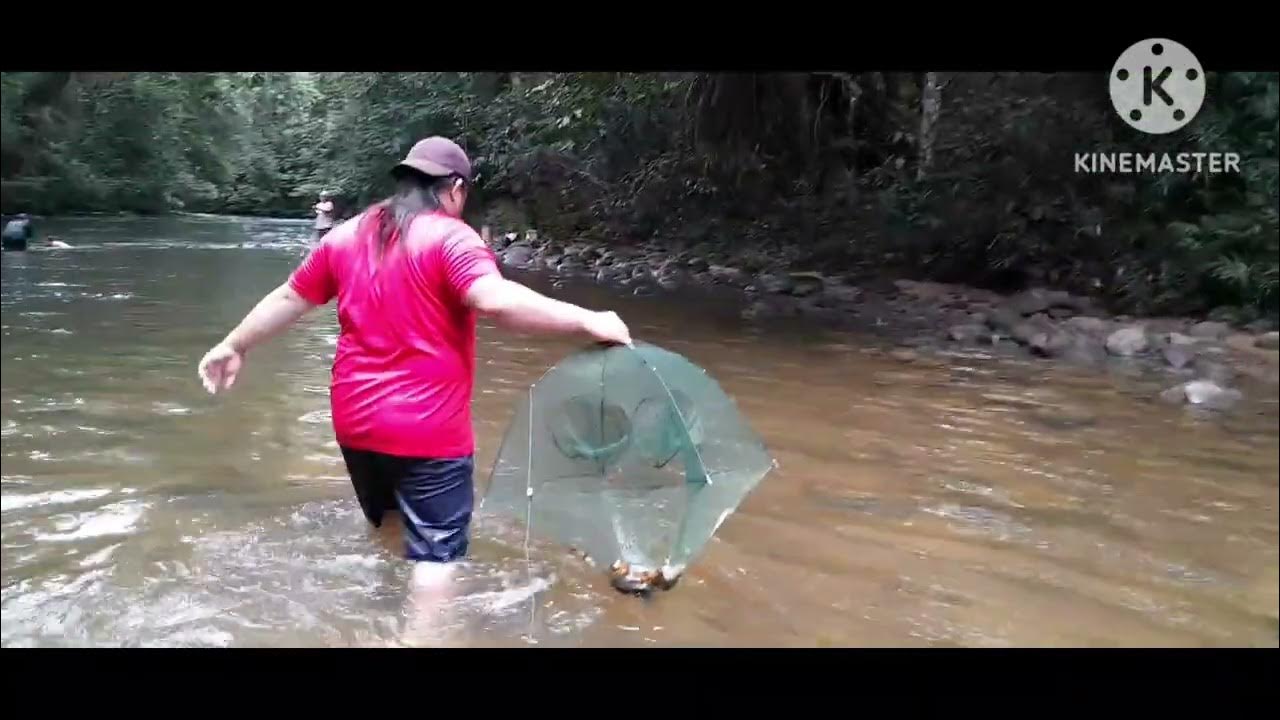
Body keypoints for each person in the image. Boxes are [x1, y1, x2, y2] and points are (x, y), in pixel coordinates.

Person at [196, 136, 631, 603]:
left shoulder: (346, 234)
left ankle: (380, 608)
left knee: (387, 528)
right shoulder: (450, 236)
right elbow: (495, 301)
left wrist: (233, 343)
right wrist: (589, 319)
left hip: (355, 424)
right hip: (428, 431)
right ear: (456, 188)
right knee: (436, 558)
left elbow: (289, 298)